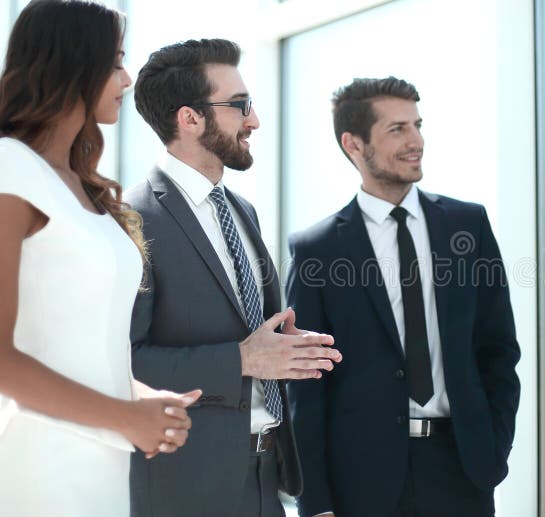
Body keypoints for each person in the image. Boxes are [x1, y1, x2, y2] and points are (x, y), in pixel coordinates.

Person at [287, 76, 520, 517]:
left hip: (462, 471)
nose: (416, 141)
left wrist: (493, 451)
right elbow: (305, 388)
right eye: (397, 129)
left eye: (417, 124)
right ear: (354, 144)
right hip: (360, 482)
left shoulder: (466, 226)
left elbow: (498, 349)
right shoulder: (316, 249)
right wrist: (314, 502)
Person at [127, 38, 341, 517]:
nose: (254, 121)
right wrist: (242, 359)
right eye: (240, 106)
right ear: (190, 118)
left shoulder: (242, 212)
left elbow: (251, 337)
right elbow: (124, 363)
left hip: (268, 476)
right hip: (187, 485)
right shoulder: (130, 220)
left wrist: (284, 348)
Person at [0, 1, 199, 516]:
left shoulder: (80, 186)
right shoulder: (8, 169)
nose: (127, 77)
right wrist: (126, 416)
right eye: (115, 61)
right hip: (40, 463)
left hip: (102, 464)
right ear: (73, 63)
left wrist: (142, 400)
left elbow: (74, 342)